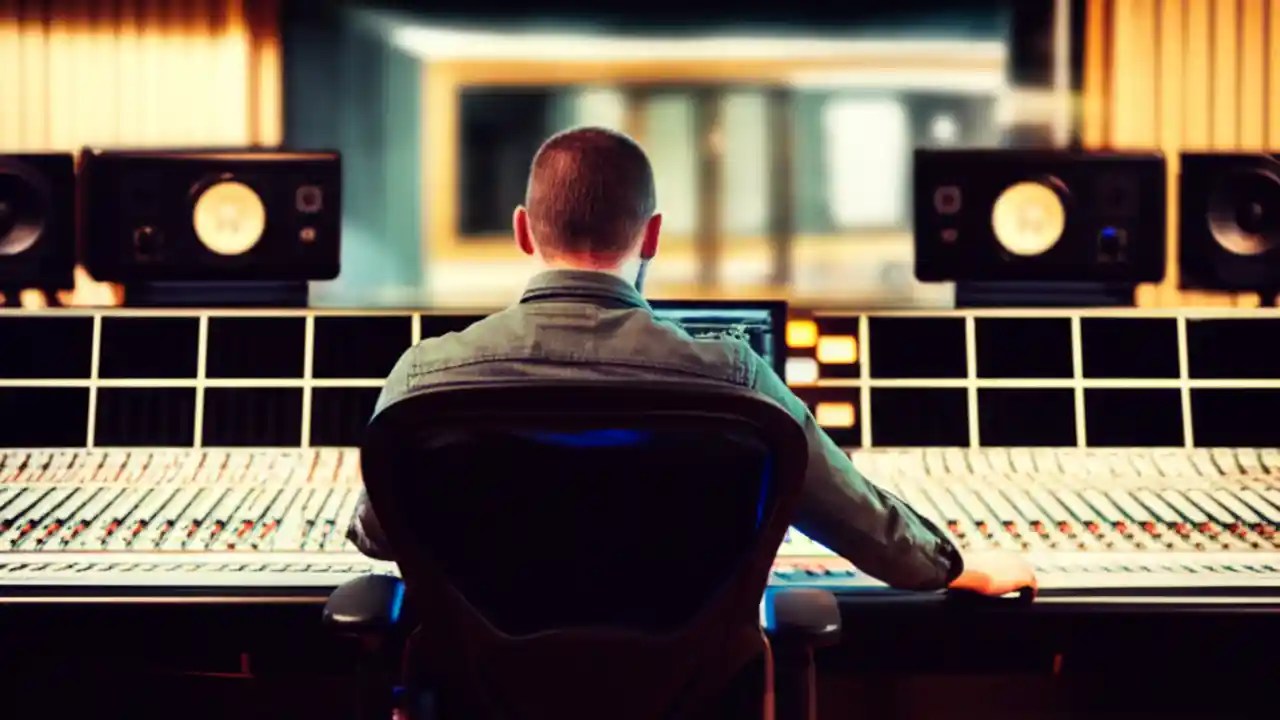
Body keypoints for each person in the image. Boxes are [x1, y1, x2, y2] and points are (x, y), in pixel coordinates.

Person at [348, 127, 1036, 597]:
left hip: (483, 697)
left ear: (523, 229)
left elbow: (377, 535)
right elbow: (865, 527)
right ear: (652, 236)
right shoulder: (735, 380)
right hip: (686, 696)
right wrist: (958, 567)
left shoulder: (423, 380)